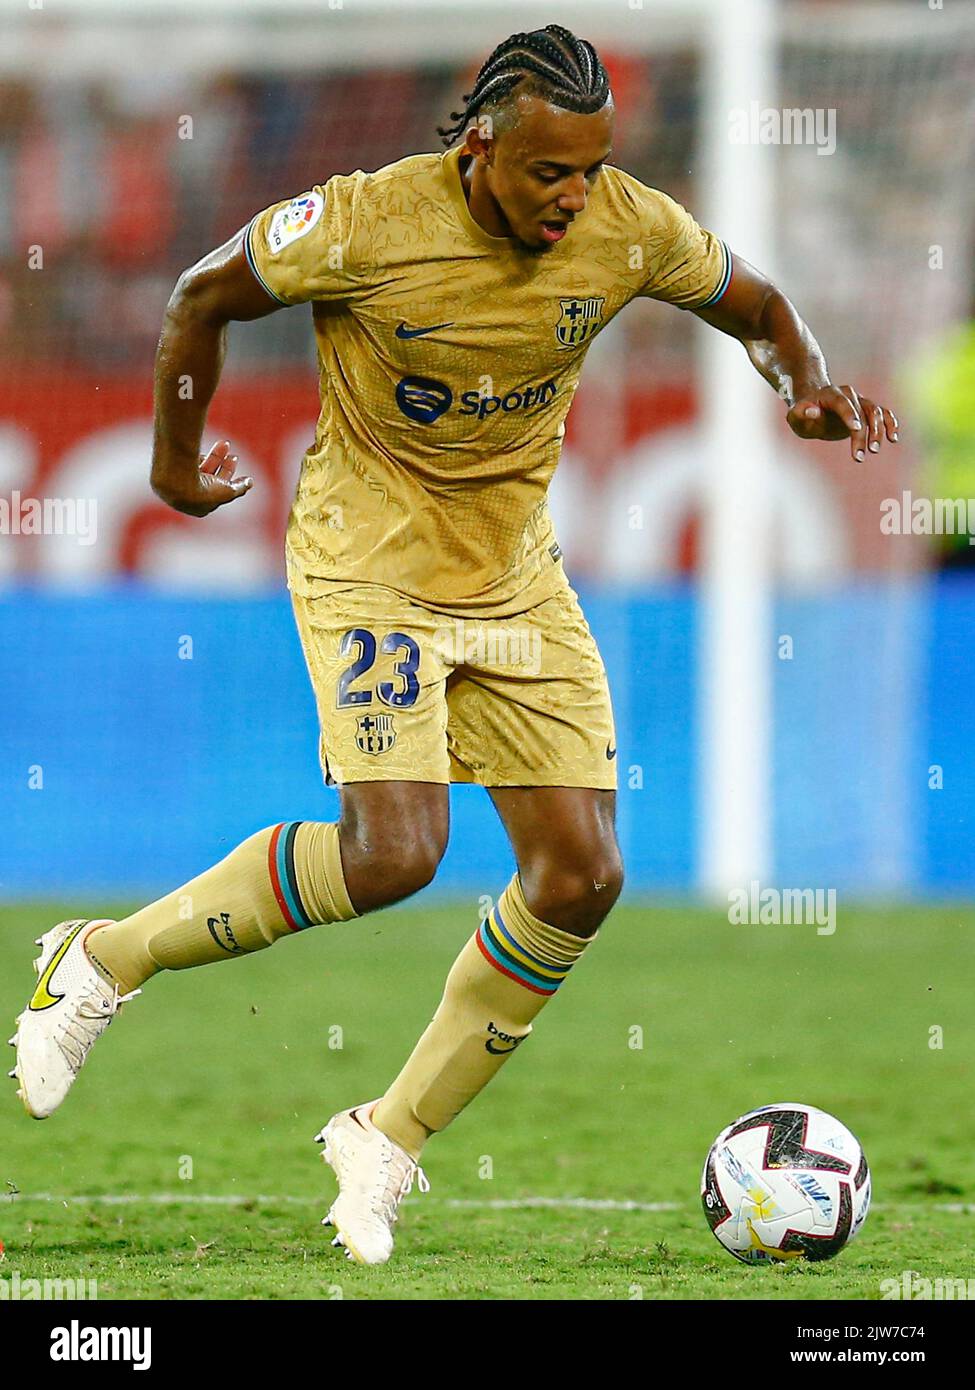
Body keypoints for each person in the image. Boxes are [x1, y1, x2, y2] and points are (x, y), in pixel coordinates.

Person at [10, 24, 898, 1266]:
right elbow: (202, 294)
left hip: (513, 575)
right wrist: (169, 462)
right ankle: (98, 961)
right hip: (368, 562)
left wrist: (799, 379)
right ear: (480, 145)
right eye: (548, 172)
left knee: (584, 874)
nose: (571, 196)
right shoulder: (363, 222)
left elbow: (754, 304)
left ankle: (386, 1134)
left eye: (590, 170)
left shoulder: (628, 225)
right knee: (396, 855)